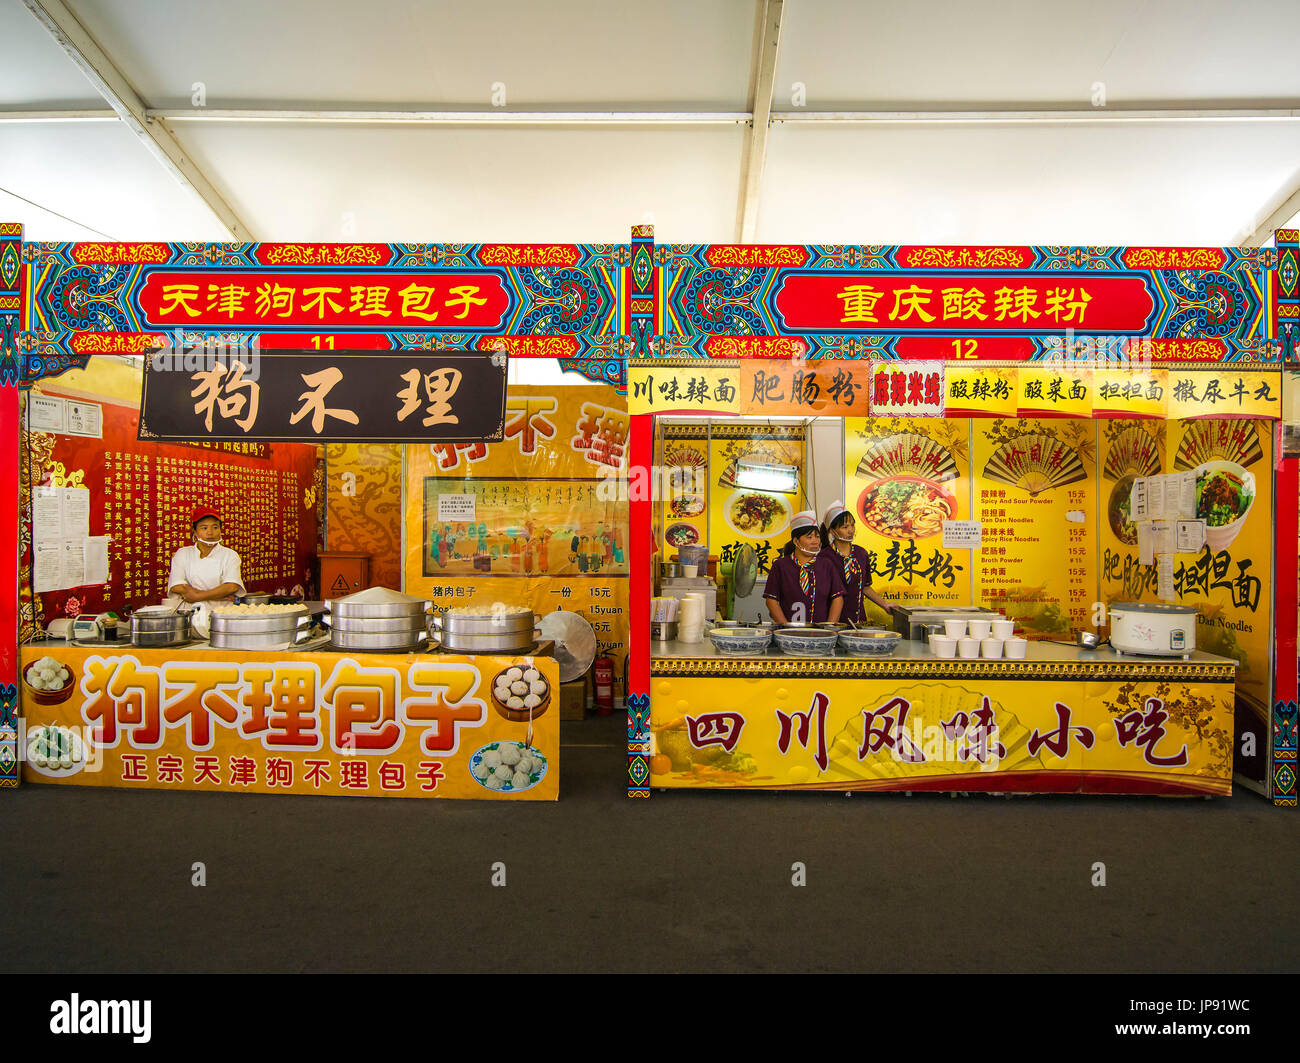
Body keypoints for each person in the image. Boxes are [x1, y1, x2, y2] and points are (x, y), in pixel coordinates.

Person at [818, 500, 893, 624]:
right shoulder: (824, 557)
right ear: (832, 530)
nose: (851, 530)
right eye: (845, 527)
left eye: (852, 525)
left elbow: (865, 587)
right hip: (832, 621)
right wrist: (829, 627)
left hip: (858, 621)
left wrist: (885, 605)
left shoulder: (861, 554)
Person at [764, 510, 845, 625]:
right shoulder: (781, 565)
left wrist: (829, 627)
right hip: (789, 633)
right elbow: (771, 600)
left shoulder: (827, 565)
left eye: (817, 537)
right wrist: (785, 627)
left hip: (820, 633)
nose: (815, 541)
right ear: (796, 541)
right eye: (809, 537)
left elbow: (837, 598)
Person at [168, 507, 244, 604]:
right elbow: (176, 585)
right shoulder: (183, 553)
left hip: (221, 613)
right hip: (191, 613)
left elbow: (232, 586)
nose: (210, 532)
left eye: (215, 527)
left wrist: (197, 596)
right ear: (195, 532)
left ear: (220, 530)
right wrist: (217, 595)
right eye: (204, 528)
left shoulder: (230, 555)